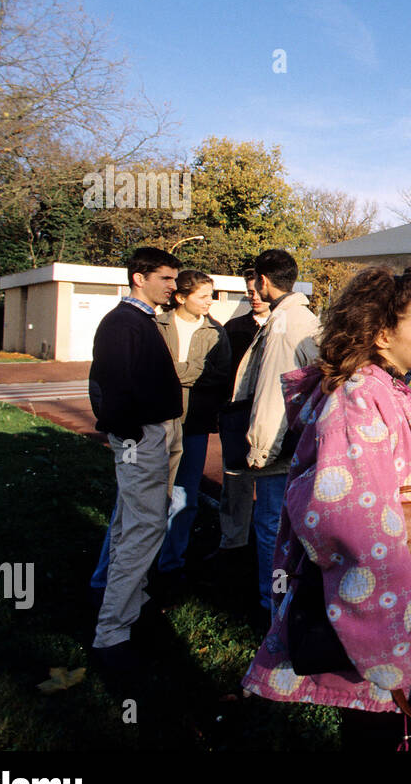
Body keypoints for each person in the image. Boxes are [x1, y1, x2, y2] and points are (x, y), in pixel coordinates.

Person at [241, 263, 411, 751]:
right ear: (381, 335)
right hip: (380, 624)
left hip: (400, 607)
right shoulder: (359, 400)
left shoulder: (384, 390)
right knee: (376, 732)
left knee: (385, 727)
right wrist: (393, 643)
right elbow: (354, 528)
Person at [89, 270, 231, 598]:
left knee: (184, 499)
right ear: (182, 298)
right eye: (203, 296)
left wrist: (169, 374)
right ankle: (109, 576)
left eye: (212, 295)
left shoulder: (216, 333)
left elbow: (218, 376)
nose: (210, 302)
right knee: (133, 502)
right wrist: (186, 374)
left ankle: (170, 565)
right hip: (151, 427)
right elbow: (137, 372)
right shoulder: (154, 325)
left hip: (193, 427)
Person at [87, 247, 182, 666]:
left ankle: (129, 600)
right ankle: (113, 629)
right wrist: (128, 434)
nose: (173, 286)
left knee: (132, 523)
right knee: (144, 528)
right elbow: (111, 384)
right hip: (139, 438)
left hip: (146, 434)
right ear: (139, 277)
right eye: (166, 278)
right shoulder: (121, 323)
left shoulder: (139, 321)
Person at [231, 249, 320, 615]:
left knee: (272, 529)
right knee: (285, 527)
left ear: (262, 281)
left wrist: (261, 447)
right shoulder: (299, 317)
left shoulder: (285, 323)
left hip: (282, 447)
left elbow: (273, 392)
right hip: (295, 441)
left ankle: (276, 609)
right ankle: (284, 604)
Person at [209, 269, 270, 560]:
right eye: (249, 291)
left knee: (273, 486)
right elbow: (221, 374)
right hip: (237, 417)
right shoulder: (232, 329)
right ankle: (233, 545)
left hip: (272, 419)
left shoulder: (287, 327)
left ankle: (273, 549)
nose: (253, 296)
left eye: (257, 290)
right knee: (235, 483)